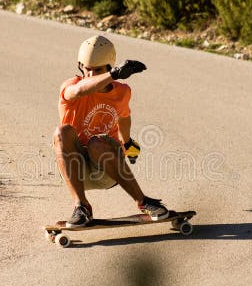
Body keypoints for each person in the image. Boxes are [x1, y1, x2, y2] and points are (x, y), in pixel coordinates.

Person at [53, 34, 169, 227]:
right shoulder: (70, 87)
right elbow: (81, 90)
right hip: (76, 170)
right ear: (81, 67)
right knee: (61, 132)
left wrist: (128, 143)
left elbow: (123, 117)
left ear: (108, 66)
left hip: (107, 169)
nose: (91, 74)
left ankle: (143, 201)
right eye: (87, 69)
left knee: (96, 143)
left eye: (98, 70)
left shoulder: (122, 92)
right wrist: (114, 74)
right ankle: (81, 207)